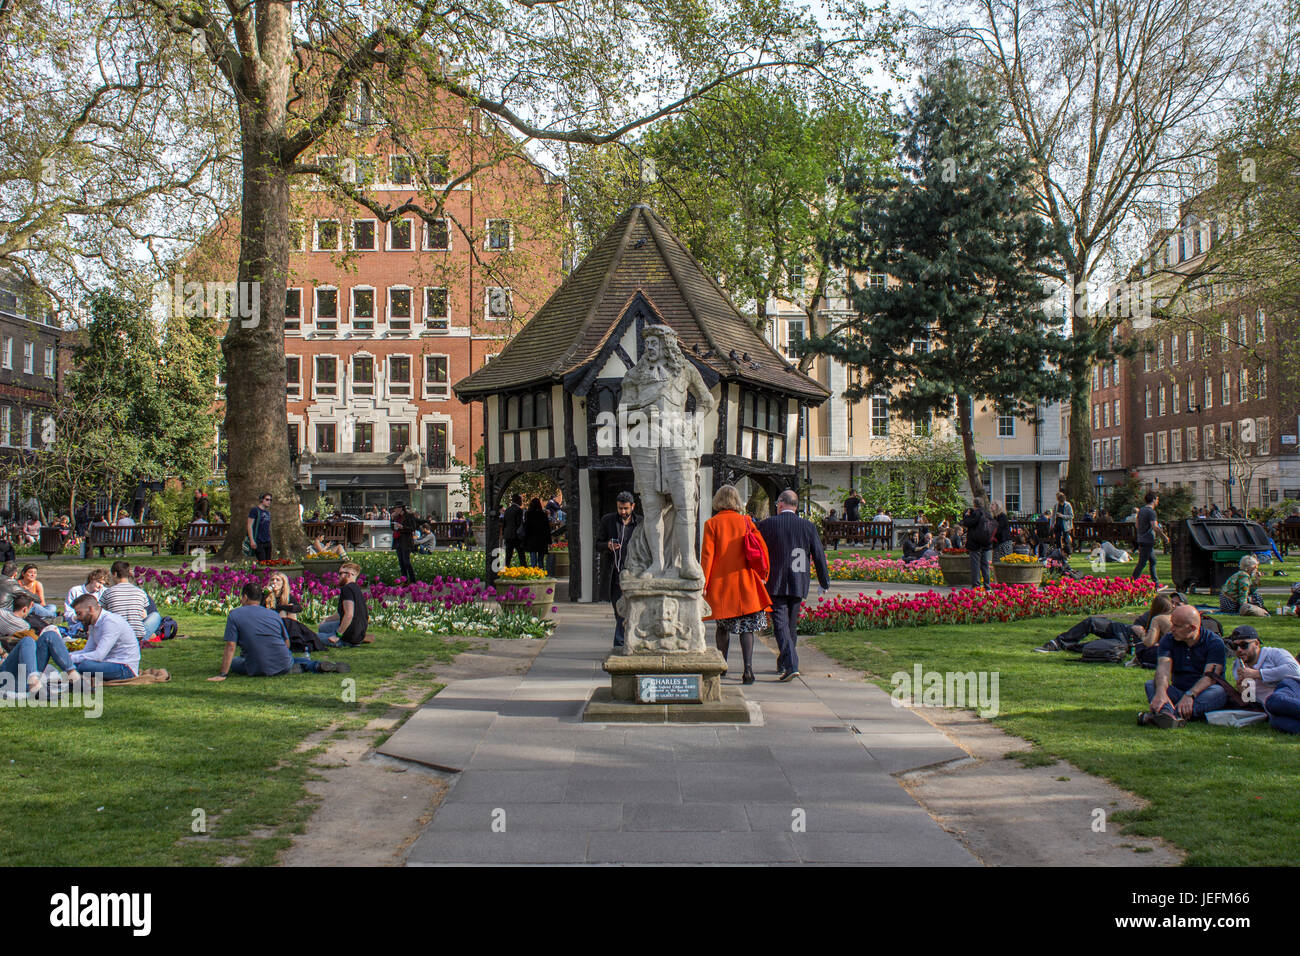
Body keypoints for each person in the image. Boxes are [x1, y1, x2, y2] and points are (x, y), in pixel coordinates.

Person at [701, 484, 772, 685]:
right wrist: (763, 574)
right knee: (747, 628)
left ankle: (722, 667)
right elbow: (761, 550)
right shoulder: (746, 521)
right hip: (745, 583)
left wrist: (704, 584)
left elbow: (707, 557)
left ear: (718, 501)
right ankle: (748, 669)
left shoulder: (712, 524)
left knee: (723, 627)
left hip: (722, 584)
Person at [758, 489, 830, 682]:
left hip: (776, 581)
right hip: (798, 580)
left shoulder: (769, 525)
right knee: (790, 625)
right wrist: (824, 581)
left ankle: (791, 665)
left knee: (780, 624)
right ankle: (784, 661)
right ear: (796, 506)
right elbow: (819, 556)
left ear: (781, 503)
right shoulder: (808, 526)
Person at [208, 583, 349, 680]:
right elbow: (286, 644)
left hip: (258, 665)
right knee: (289, 659)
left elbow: (231, 646)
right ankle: (314, 665)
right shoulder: (273, 615)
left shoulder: (235, 614)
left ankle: (296, 666)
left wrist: (223, 674)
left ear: (244, 597)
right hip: (284, 660)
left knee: (236, 662)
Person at [1139, 605, 1227, 728]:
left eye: (1177, 626)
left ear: (1192, 628)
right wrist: (1161, 692)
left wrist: (1190, 695)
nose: (1172, 629)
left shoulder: (1214, 643)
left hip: (1203, 693)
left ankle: (1165, 715)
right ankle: (1172, 717)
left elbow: (1210, 677)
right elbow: (1163, 669)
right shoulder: (1168, 640)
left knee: (1219, 692)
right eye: (1172, 623)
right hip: (1179, 691)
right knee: (1151, 684)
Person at [595, 491, 639, 648]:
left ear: (632, 506)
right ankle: (623, 642)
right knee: (619, 611)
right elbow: (597, 544)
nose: (623, 512)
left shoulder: (639, 523)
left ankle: (622, 643)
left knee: (630, 611)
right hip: (615, 574)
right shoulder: (608, 521)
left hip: (634, 575)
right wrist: (607, 545)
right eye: (620, 508)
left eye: (626, 508)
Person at [67, 592, 141, 682]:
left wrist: (70, 658)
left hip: (125, 667)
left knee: (83, 665)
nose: (78, 618)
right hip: (108, 662)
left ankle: (75, 676)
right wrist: (67, 657)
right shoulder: (92, 624)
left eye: (79, 613)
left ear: (90, 609)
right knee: (73, 664)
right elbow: (88, 650)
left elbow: (99, 655)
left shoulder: (110, 622)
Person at [1227, 626, 1300, 711]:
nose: (1239, 650)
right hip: (1272, 708)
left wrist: (1257, 674)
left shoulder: (1274, 654)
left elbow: (1295, 669)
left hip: (1291, 695)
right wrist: (1243, 691)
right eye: (1234, 646)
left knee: (1275, 700)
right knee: (1277, 721)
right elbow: (1251, 699)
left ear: (1256, 644)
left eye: (1244, 645)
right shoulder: (1238, 666)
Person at [99, 560, 162, 642]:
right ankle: (143, 639)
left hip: (117, 634)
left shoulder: (108, 592)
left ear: (114, 574)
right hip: (137, 635)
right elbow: (144, 615)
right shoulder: (140, 592)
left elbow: (101, 613)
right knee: (155, 616)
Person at [263, 572, 326, 653]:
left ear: (283, 584)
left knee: (290, 611)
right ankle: (290, 639)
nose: (274, 582)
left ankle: (293, 639)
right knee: (284, 611)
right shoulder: (266, 596)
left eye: (277, 580)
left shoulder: (287, 597)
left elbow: (298, 608)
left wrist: (281, 607)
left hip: (285, 624)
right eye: (272, 580)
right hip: (271, 623)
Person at [316, 562, 369, 646]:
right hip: (358, 632)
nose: (338, 576)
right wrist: (326, 619)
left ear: (349, 575)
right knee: (322, 627)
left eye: (341, 574)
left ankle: (340, 639)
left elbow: (349, 615)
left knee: (313, 637)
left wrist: (337, 635)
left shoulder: (347, 589)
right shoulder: (356, 589)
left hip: (348, 637)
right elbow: (343, 613)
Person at [1130, 491, 1163, 585]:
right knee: (1142, 563)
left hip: (1141, 538)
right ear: (1153, 500)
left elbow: (1137, 525)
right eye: (1157, 499)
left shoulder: (1141, 510)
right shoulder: (1151, 512)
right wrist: (1164, 536)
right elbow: (1154, 526)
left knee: (1153, 560)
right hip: (1147, 540)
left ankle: (1155, 582)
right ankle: (1133, 581)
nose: (1157, 501)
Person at [961, 502, 993, 589]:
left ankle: (976, 585)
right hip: (986, 543)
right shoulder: (988, 514)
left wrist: (966, 515)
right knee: (985, 565)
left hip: (975, 544)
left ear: (974, 505)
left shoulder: (974, 514)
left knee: (975, 565)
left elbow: (966, 523)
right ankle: (987, 585)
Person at [391, 503, 417, 582]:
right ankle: (404, 581)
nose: (395, 510)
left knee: (406, 562)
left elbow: (413, 528)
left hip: (406, 541)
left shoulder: (409, 516)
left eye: (396, 508)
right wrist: (392, 519)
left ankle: (413, 580)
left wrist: (403, 527)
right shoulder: (396, 517)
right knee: (401, 562)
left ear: (401, 508)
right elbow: (392, 527)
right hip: (398, 540)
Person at [522, 497, 550, 570]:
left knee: (533, 559)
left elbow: (526, 527)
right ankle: (541, 573)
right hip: (542, 539)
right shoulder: (543, 515)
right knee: (540, 560)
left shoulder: (528, 514)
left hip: (532, 539)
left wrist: (525, 539)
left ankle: (534, 573)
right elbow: (547, 528)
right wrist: (548, 540)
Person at [247, 492, 273, 560]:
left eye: (270, 500)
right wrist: (252, 540)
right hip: (259, 541)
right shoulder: (255, 510)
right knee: (262, 561)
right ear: (262, 500)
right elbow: (249, 525)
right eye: (267, 499)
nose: (269, 502)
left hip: (267, 540)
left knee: (268, 562)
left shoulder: (268, 513)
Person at [501, 494, 525, 568]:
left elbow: (504, 523)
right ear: (517, 500)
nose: (522, 501)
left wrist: (503, 534)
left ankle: (506, 569)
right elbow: (519, 524)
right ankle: (524, 570)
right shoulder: (519, 510)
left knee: (508, 555)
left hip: (508, 535)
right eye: (521, 500)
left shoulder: (507, 510)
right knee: (521, 555)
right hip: (516, 536)